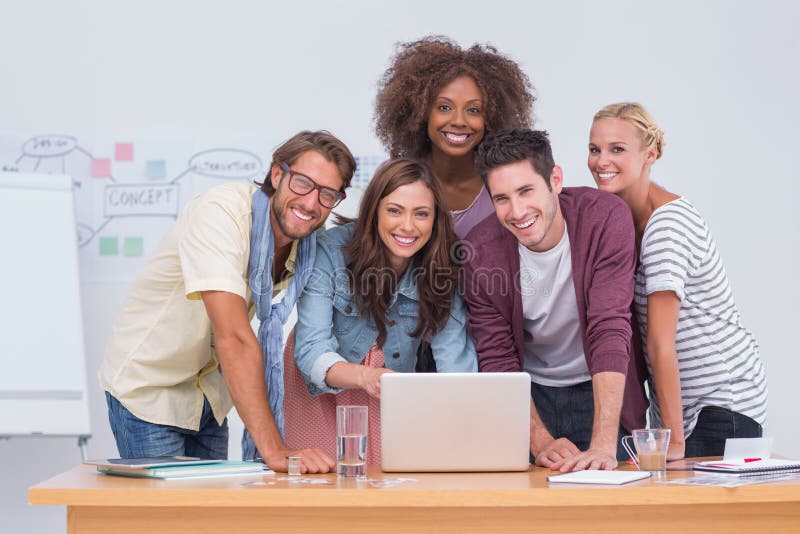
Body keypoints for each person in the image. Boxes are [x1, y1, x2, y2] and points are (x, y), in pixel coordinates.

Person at [99, 130, 357, 472]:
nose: (311, 203)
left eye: (327, 194)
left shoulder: (308, 245)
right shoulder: (221, 213)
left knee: (212, 518)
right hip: (151, 391)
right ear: (277, 175)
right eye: (302, 184)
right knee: (169, 524)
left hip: (208, 397)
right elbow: (234, 336)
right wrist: (274, 449)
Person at [588, 102, 768, 459]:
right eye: (595, 149)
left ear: (649, 154)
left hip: (719, 406)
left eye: (617, 149)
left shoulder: (666, 227)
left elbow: (659, 342)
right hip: (692, 410)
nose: (601, 161)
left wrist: (675, 440)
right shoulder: (625, 221)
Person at [462, 129, 648, 472]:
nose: (517, 211)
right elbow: (497, 355)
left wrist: (605, 444)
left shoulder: (605, 218)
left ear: (555, 180)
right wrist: (539, 439)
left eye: (526, 191)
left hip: (602, 391)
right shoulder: (479, 251)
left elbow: (609, 327)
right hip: (532, 399)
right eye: (501, 198)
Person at [285, 158, 477, 463]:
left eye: (422, 214)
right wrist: (365, 377)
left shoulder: (442, 267)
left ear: (435, 219)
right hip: (321, 392)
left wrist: (469, 428)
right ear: (374, 210)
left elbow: (455, 362)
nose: (408, 226)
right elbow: (311, 350)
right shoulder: (329, 250)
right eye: (394, 210)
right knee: (320, 489)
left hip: (389, 394)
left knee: (388, 490)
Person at [375, 36, 534, 239]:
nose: (459, 120)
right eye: (444, 107)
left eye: (474, 110)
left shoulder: (504, 186)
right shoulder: (393, 177)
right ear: (421, 112)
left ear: (491, 118)